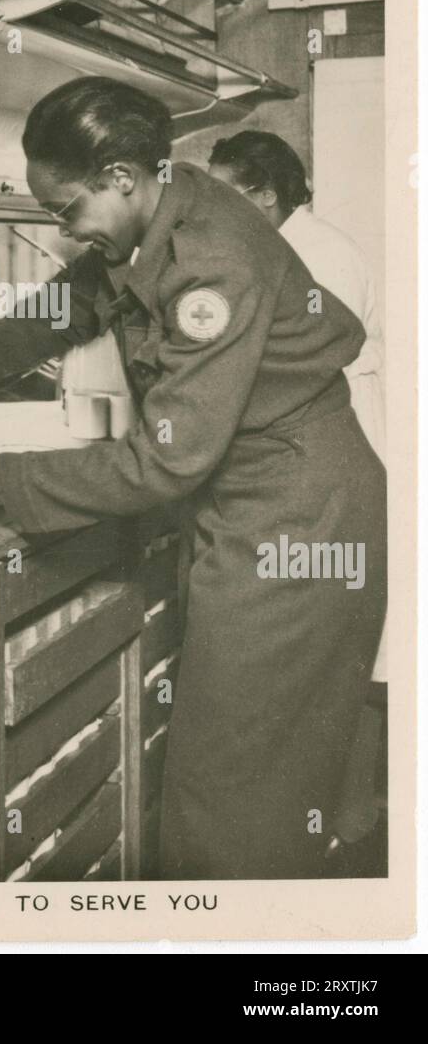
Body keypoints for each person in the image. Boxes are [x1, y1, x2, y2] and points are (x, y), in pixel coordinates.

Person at [0, 75, 386, 880]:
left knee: (230, 787)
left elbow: (168, 458)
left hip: (298, 523)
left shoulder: (211, 261)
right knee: (252, 767)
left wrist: (2, 479)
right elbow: (76, 299)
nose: (65, 229)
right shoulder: (161, 210)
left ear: (121, 179)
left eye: (66, 211)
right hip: (262, 502)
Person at [208, 128, 387, 861]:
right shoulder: (290, 247)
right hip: (327, 450)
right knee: (344, 653)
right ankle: (339, 811)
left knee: (343, 655)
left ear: (264, 195)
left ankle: (343, 814)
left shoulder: (319, 256)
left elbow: (292, 375)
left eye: (226, 196)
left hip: (345, 450)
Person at [207, 130, 385, 463]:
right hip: (304, 425)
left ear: (267, 196)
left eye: (223, 196)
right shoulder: (271, 249)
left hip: (341, 428)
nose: (214, 210)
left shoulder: (325, 253)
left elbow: (324, 358)